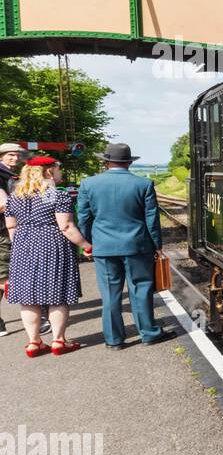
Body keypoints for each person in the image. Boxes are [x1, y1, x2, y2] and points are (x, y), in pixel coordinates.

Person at [76, 143, 168, 350]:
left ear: (106, 162)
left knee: (109, 294)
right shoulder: (143, 184)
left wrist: (88, 242)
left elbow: (83, 217)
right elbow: (152, 219)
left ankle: (114, 340)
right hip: (137, 246)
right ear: (129, 162)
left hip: (103, 247)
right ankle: (148, 333)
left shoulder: (88, 184)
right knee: (141, 289)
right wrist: (157, 245)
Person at [3, 156, 92, 356]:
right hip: (53, 245)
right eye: (58, 169)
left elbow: (11, 227)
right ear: (49, 171)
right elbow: (67, 227)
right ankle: (59, 341)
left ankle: (34, 343)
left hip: (23, 246)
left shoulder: (15, 196)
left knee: (27, 297)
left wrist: (23, 244)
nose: (60, 173)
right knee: (57, 296)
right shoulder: (56, 196)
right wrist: (86, 245)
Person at [0, 143, 25, 337]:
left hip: (6, 228)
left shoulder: (9, 174)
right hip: (3, 231)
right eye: (10, 155)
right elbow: (3, 205)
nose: (15, 158)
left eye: (17, 155)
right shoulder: (1, 175)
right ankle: (36, 316)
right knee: (5, 275)